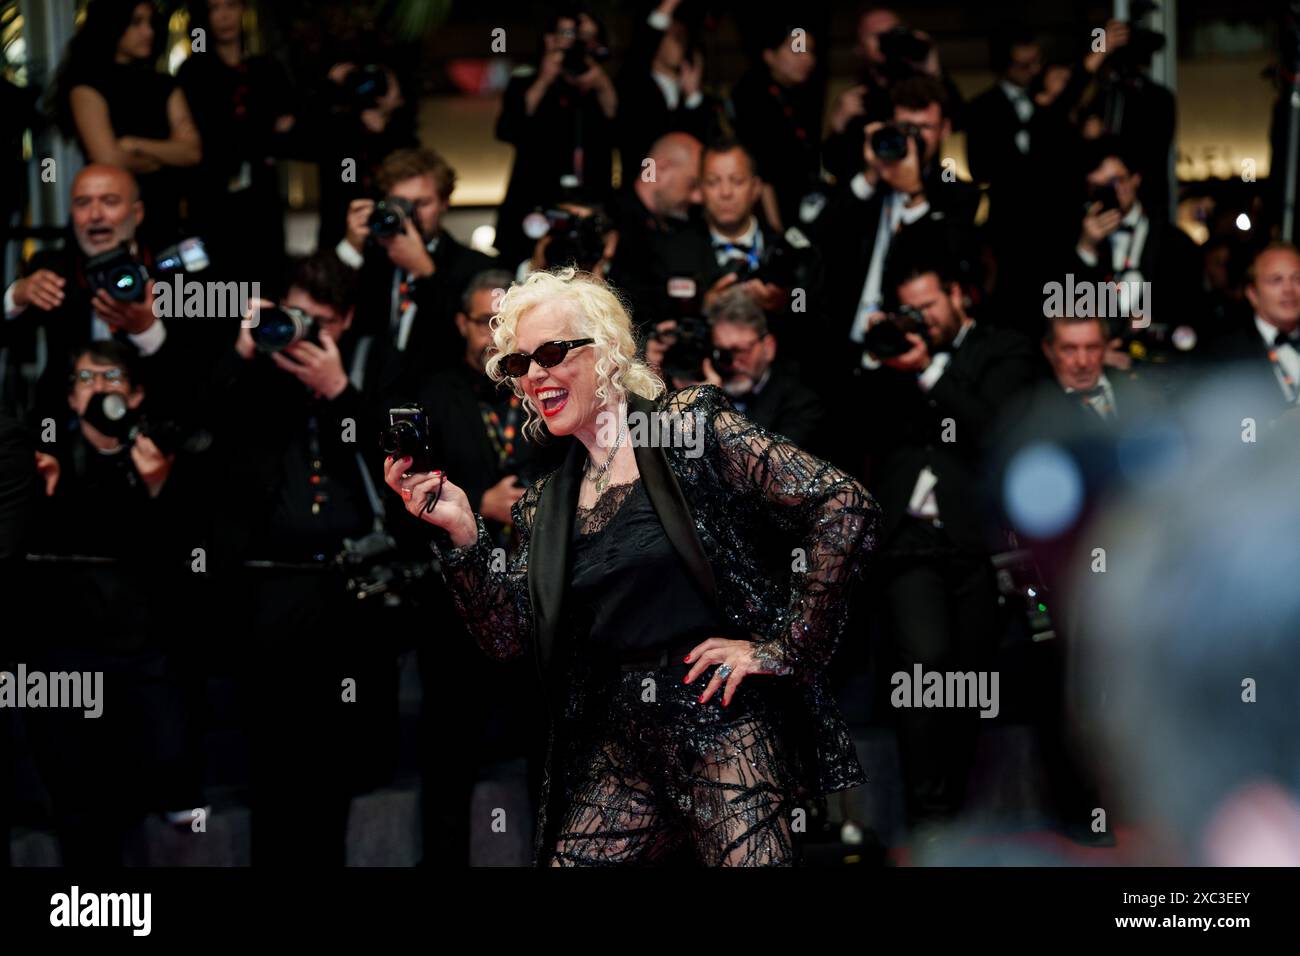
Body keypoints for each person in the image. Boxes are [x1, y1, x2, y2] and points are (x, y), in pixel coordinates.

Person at [384, 268, 879, 866]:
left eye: (550, 352)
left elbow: (843, 503)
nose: (536, 375)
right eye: (520, 364)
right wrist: (464, 531)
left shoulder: (687, 427)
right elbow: (509, 637)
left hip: (721, 723)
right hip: (620, 740)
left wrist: (785, 648)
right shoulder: (546, 503)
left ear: (607, 352)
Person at [855, 255, 1038, 836]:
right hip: (908, 538)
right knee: (924, 664)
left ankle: (957, 811)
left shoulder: (1002, 350)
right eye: (912, 308)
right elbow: (856, 426)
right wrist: (881, 359)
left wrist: (930, 370)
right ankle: (928, 813)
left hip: (977, 538)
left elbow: (996, 430)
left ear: (958, 295)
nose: (923, 319)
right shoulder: (888, 357)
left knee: (969, 676)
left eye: (930, 306)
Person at [23, 340, 207, 865]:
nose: (99, 389)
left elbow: (192, 563)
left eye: (111, 378)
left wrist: (158, 487)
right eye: (86, 379)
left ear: (137, 393)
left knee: (132, 807)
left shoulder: (164, 455)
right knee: (76, 808)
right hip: (63, 660)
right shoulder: (42, 460)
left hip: (140, 659)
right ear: (70, 398)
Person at [408, 269, 570, 865]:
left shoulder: (548, 383)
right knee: (448, 760)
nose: (493, 335)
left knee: (549, 756)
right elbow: (408, 501)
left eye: (506, 324)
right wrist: (480, 505)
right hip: (454, 607)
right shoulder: (432, 394)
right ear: (461, 324)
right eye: (485, 322)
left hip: (542, 601)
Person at [3, 165, 198, 428]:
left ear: (137, 212)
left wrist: (146, 330)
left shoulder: (170, 271)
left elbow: (192, 373)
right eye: (83, 203)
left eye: (110, 201)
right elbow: (11, 339)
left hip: (154, 417)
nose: (95, 215)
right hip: (63, 423)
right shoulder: (53, 268)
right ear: (72, 214)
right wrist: (16, 296)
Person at [818, 75, 979, 367]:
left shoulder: (958, 194)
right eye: (904, 127)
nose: (913, 137)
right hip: (842, 349)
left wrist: (915, 194)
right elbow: (822, 237)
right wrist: (870, 175)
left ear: (945, 130)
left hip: (914, 352)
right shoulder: (864, 181)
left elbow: (949, 261)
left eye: (924, 128)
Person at [339, 147, 495, 398]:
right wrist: (351, 247)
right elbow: (333, 313)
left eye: (421, 204)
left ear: (445, 203)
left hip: (446, 403)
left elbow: (463, 342)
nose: (410, 215)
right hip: (372, 398)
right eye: (399, 203)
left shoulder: (477, 267)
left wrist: (426, 274)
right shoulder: (371, 260)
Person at [51, 0, 202, 249]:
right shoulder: (87, 85)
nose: (148, 32)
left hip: (168, 214)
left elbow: (192, 152)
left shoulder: (164, 84)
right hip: (110, 221)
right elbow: (109, 161)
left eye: (151, 24)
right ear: (112, 26)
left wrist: (133, 144)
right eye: (136, 23)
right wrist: (167, 155)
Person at [178, 0, 297, 284]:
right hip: (211, 198)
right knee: (216, 284)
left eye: (230, 5)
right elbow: (202, 139)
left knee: (265, 280)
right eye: (215, 8)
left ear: (242, 9)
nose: (224, 16)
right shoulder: (194, 72)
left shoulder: (266, 68)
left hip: (261, 196)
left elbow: (288, 125)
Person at [494, 7, 618, 267]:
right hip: (533, 202)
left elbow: (624, 130)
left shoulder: (603, 86)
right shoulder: (525, 80)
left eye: (583, 36)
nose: (573, 41)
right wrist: (544, 79)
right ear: (548, 38)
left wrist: (601, 84)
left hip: (592, 203)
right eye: (566, 33)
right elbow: (508, 129)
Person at [728, 20, 821, 232]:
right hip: (772, 212)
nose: (807, 59)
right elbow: (762, 166)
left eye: (810, 51)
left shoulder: (799, 96)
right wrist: (774, 227)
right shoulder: (753, 96)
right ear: (770, 55)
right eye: (797, 50)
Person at [615, 0, 714, 190]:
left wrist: (693, 95)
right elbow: (641, 49)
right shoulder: (637, 83)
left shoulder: (690, 97)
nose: (681, 44)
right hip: (644, 185)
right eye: (674, 37)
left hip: (685, 191)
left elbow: (704, 144)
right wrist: (669, 4)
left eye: (683, 38)